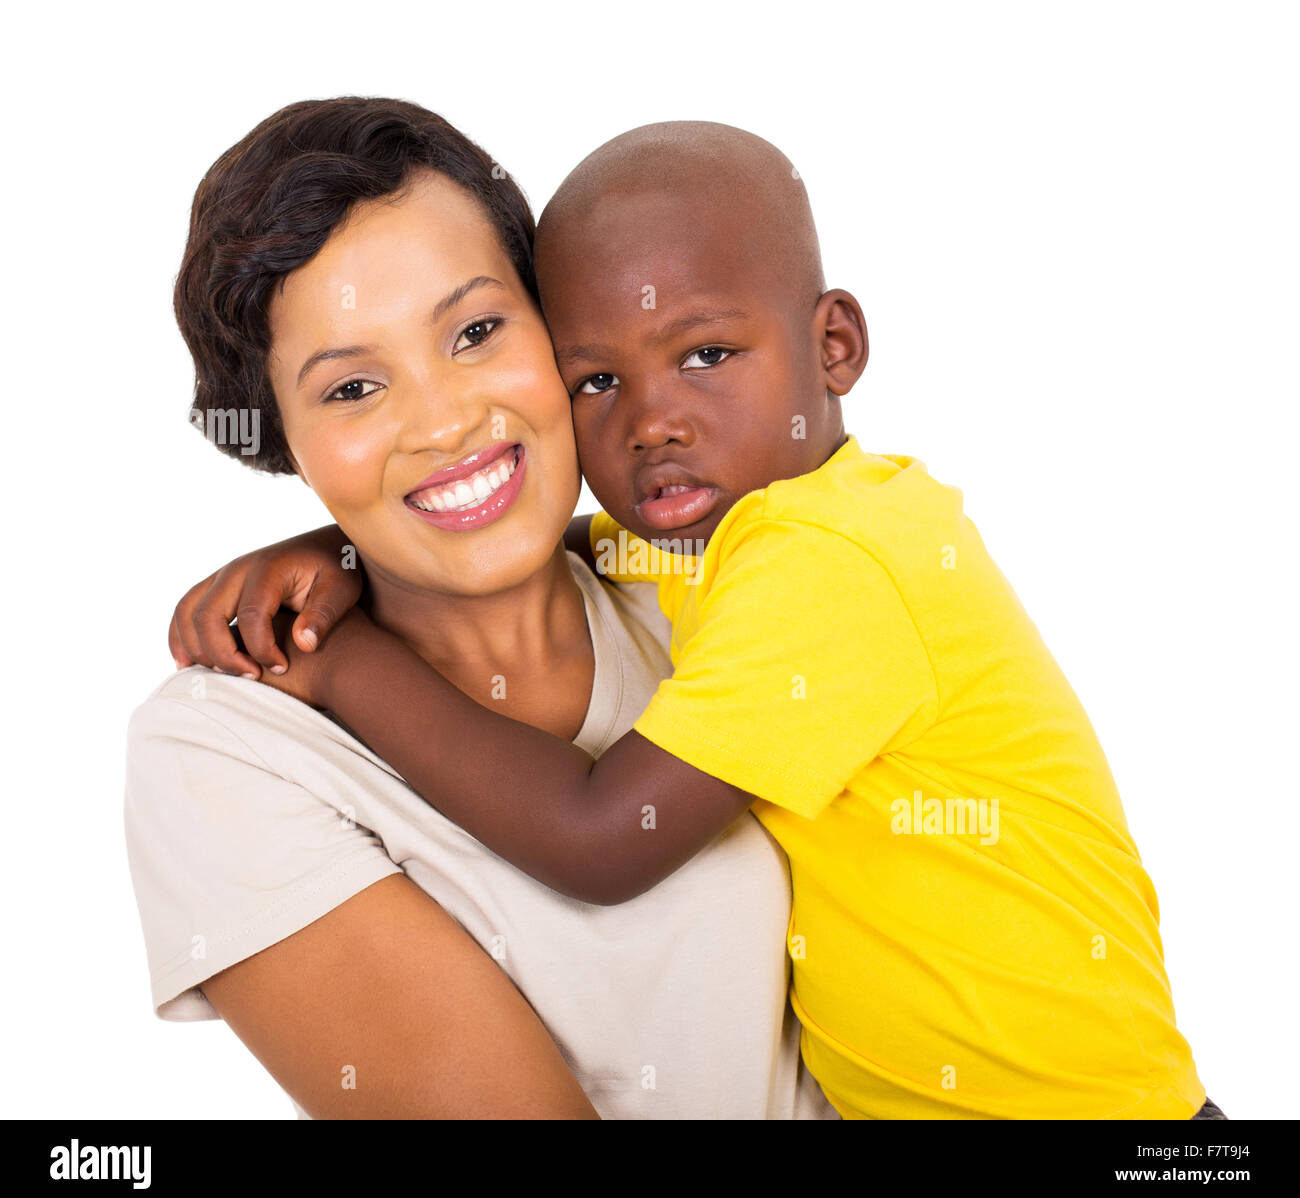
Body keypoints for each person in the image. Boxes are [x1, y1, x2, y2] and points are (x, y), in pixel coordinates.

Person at [178, 121, 1214, 1120]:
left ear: (835, 345)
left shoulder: (827, 568)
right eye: (598, 379)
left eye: (707, 355)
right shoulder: (734, 539)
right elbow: (549, 539)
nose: (652, 421)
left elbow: (599, 838)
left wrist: (339, 664)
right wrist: (340, 553)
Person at [127, 97, 838, 1121]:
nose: (448, 420)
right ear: (284, 441)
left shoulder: (709, 581)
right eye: (351, 390)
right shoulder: (229, 747)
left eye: (474, 330)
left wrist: (341, 569)